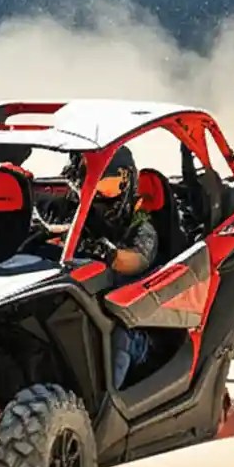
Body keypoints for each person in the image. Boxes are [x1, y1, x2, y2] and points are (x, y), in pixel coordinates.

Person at [64, 146, 157, 389]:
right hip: (84, 314)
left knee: (116, 337)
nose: (96, 194)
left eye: (104, 184)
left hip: (134, 326)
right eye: (87, 185)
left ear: (126, 180)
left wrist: (109, 254)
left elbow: (137, 261)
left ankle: (103, 412)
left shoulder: (140, 224)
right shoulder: (81, 219)